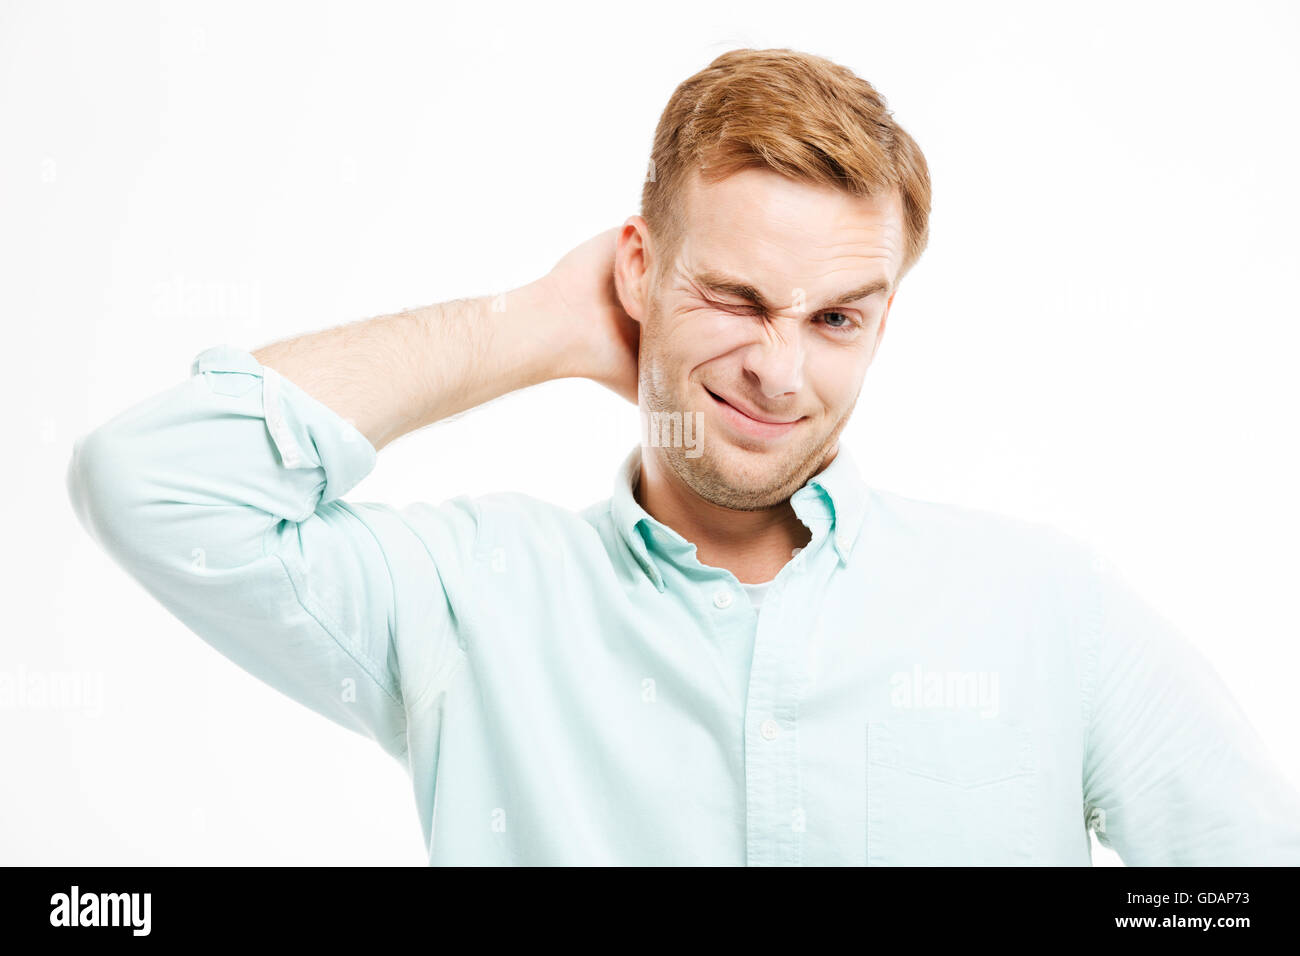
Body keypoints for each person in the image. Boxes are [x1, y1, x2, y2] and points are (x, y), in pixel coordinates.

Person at [67, 47, 1300, 865]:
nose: (780, 369)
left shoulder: (1045, 610)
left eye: (835, 319)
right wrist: (537, 327)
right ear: (640, 269)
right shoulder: (468, 598)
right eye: (734, 298)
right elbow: (155, 481)